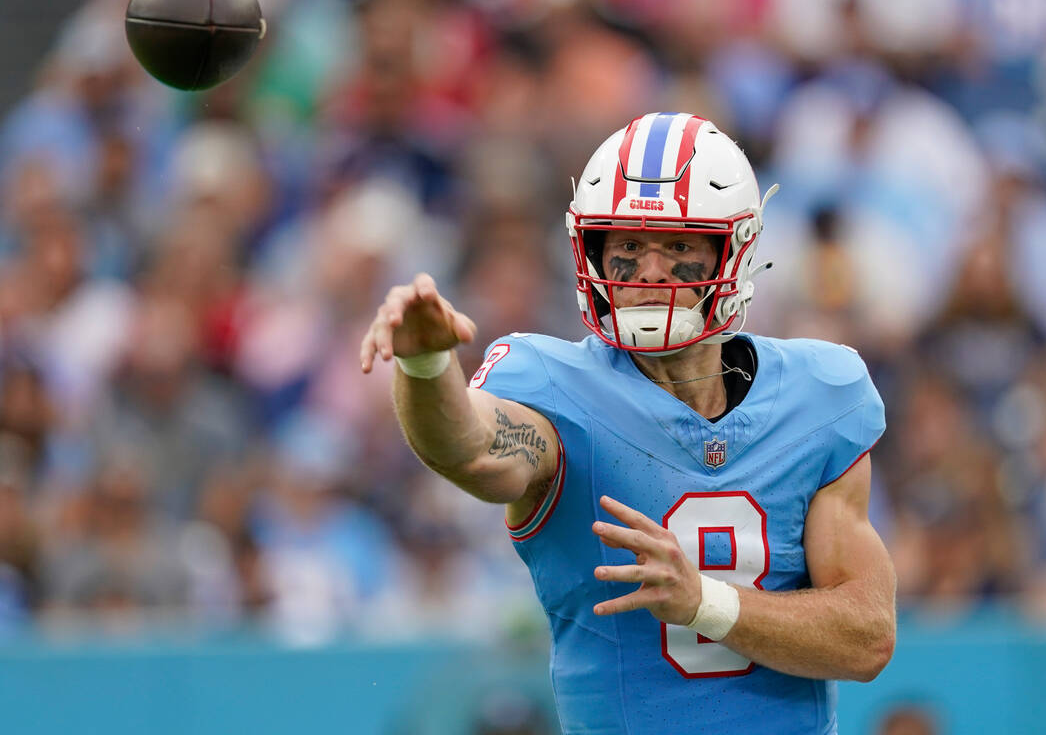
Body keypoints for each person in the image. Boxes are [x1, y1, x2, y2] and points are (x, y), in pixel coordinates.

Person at [360, 113, 896, 734]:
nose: (648, 273)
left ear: (735, 247)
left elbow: (866, 639)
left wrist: (707, 605)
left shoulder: (820, 393)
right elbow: (472, 450)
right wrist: (427, 364)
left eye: (678, 245)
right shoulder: (552, 385)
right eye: (628, 246)